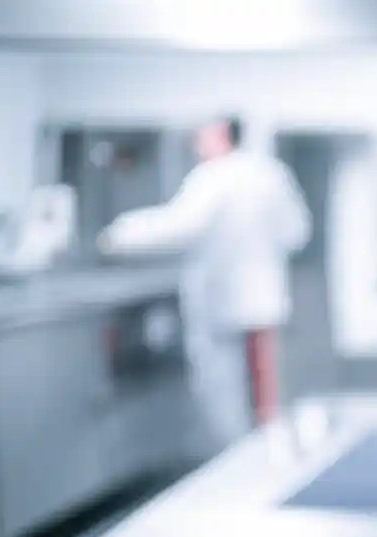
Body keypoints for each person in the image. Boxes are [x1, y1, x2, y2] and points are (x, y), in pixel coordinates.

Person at [101, 117, 311, 449]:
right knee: (265, 382)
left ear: (222, 134)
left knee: (221, 386)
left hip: (221, 298)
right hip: (262, 298)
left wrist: (120, 234)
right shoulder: (270, 173)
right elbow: (296, 232)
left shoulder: (212, 176)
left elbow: (181, 225)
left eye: (203, 135)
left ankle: (235, 455)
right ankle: (268, 450)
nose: (197, 143)